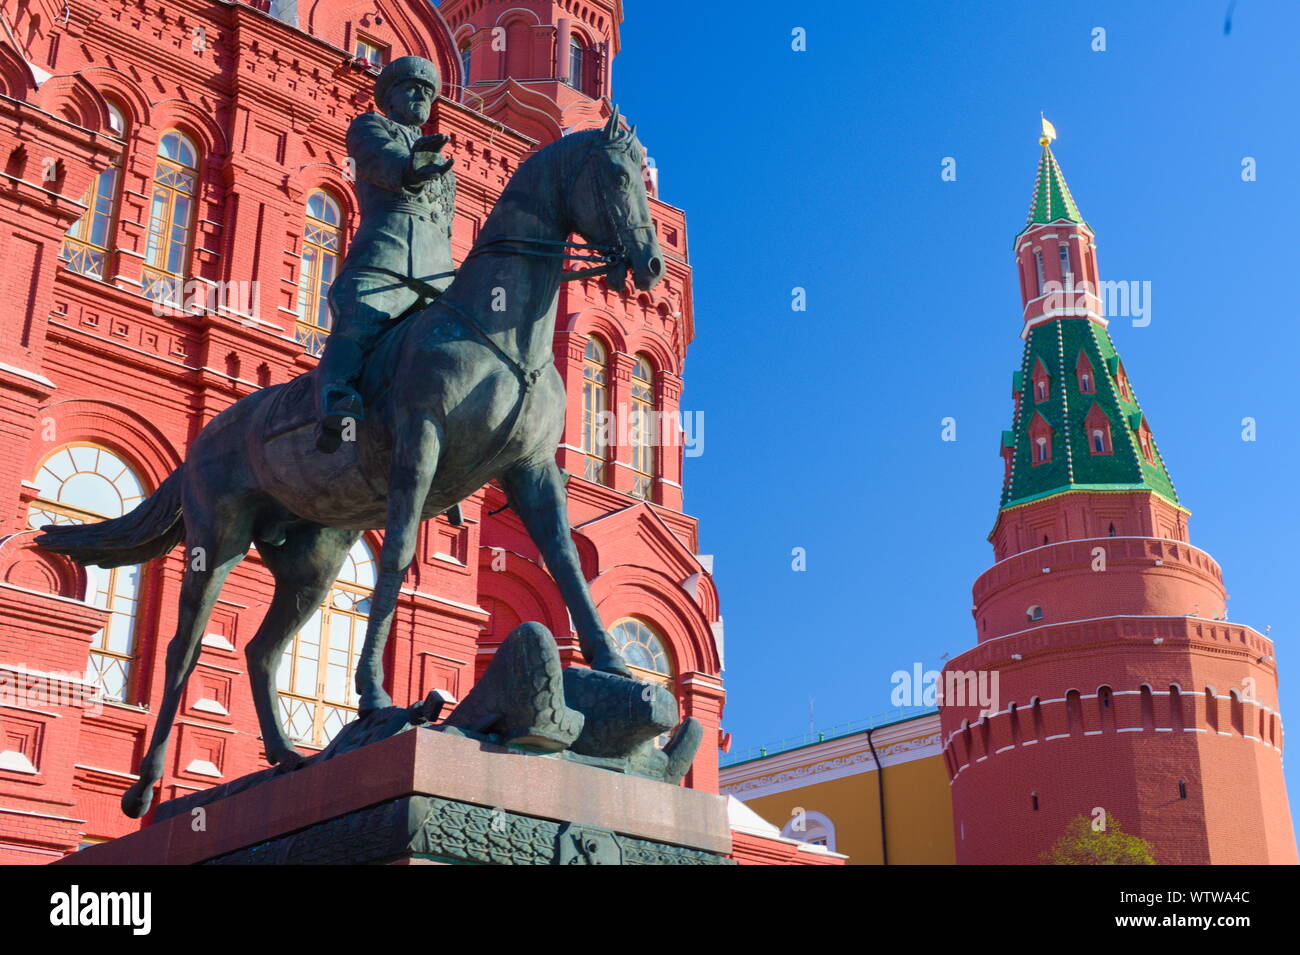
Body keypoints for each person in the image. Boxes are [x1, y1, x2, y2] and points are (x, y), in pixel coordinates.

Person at [315, 55, 457, 453]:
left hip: (436, 272)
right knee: (359, 317)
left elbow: (445, 222)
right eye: (411, 88)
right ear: (389, 98)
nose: (420, 96)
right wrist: (412, 167)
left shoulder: (442, 159)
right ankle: (336, 399)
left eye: (427, 92)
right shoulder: (370, 126)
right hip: (387, 254)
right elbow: (380, 159)